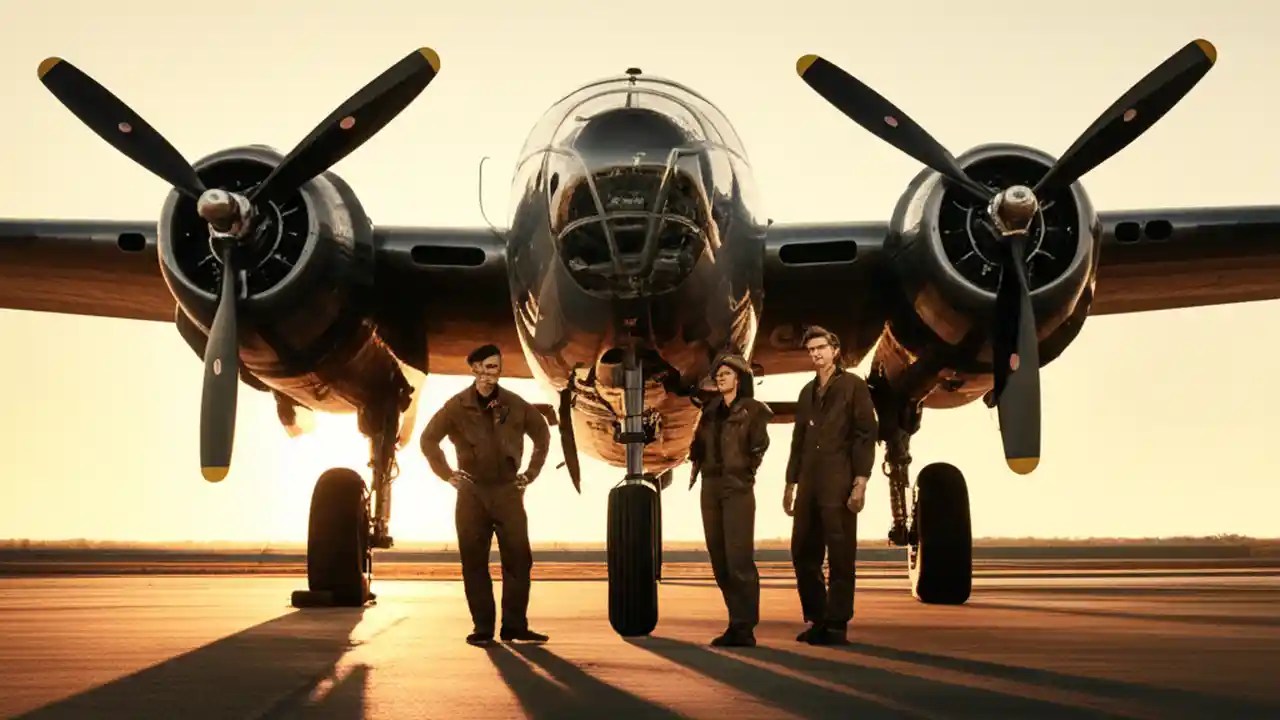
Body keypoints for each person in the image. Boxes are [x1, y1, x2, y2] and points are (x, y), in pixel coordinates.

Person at [420, 343, 551, 646]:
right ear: (474, 369)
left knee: (519, 559)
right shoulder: (455, 407)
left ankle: (514, 626)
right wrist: (447, 474)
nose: (492, 373)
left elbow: (541, 435)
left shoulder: (516, 405)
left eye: (496, 367)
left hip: (508, 491)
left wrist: (530, 474)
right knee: (474, 562)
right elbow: (428, 440)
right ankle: (482, 627)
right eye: (487, 367)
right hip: (472, 493)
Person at [784, 326, 878, 645]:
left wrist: (861, 482)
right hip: (808, 481)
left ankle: (837, 623)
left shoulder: (854, 387)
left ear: (834, 349)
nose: (816, 354)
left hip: (839, 479)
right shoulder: (806, 392)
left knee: (840, 553)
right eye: (811, 350)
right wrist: (790, 483)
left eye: (821, 348)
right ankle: (818, 618)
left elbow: (866, 434)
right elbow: (798, 441)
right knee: (802, 551)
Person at [688, 353, 772, 647]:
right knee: (720, 559)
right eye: (718, 374)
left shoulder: (753, 410)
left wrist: (745, 471)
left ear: (740, 378)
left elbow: (759, 445)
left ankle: (744, 626)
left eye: (727, 373)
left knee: (739, 559)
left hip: (736, 488)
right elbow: (697, 444)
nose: (721, 377)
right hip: (709, 486)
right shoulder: (709, 412)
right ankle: (735, 621)